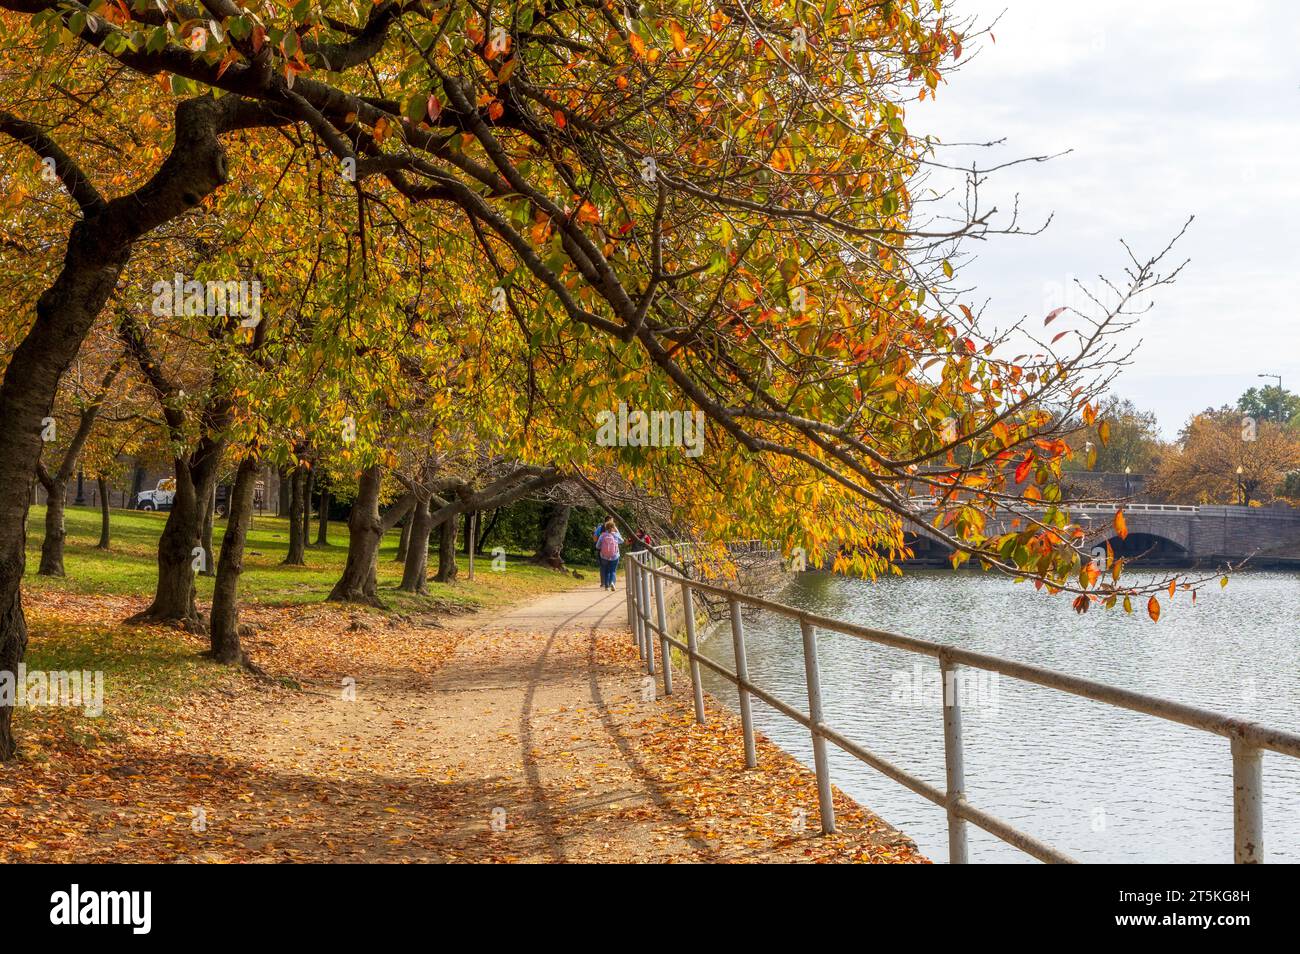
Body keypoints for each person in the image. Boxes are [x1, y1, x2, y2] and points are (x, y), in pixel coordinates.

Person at [596, 519, 624, 591]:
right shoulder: (616, 535)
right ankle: (612, 583)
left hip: (604, 556)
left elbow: (597, 546)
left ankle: (606, 586)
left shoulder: (602, 535)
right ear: (613, 527)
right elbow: (622, 541)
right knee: (613, 570)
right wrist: (617, 532)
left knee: (606, 570)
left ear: (606, 527)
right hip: (615, 556)